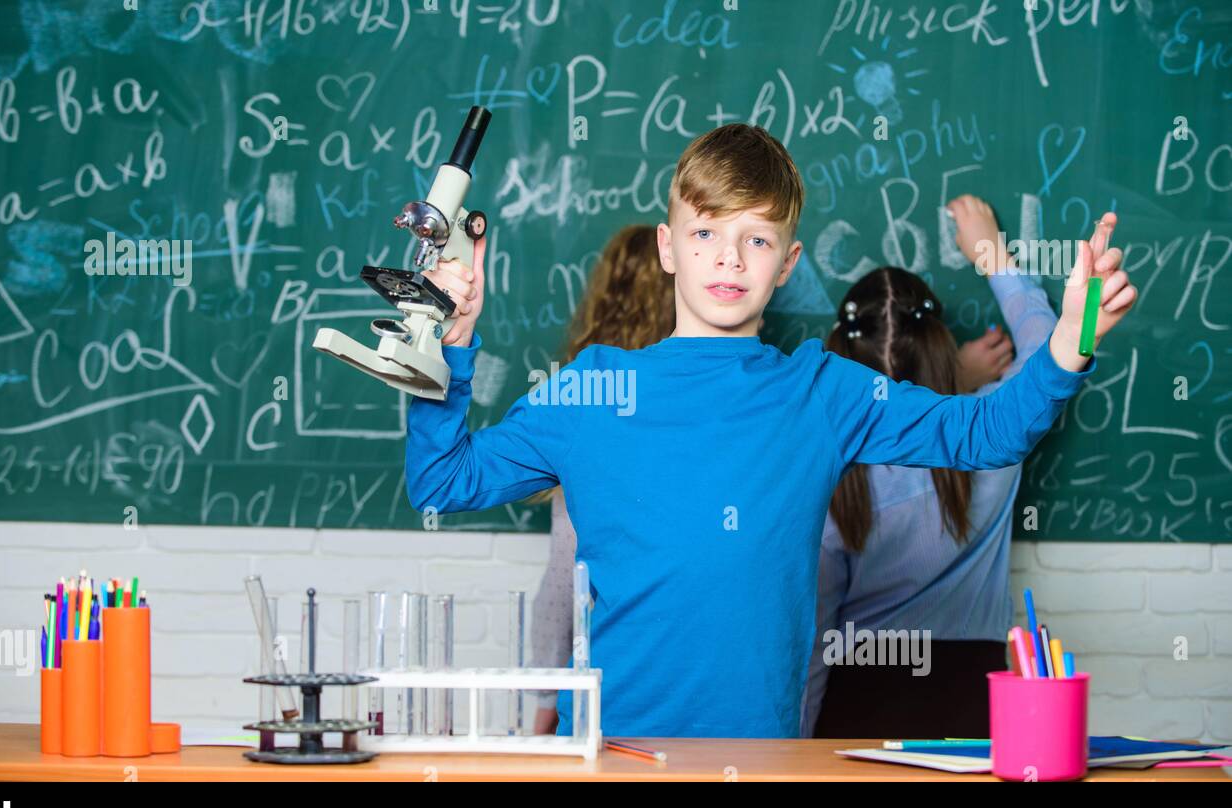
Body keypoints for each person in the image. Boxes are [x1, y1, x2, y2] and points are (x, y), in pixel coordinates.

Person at [406, 123, 1135, 738]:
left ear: (787, 263)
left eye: (757, 240)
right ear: (668, 247)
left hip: (758, 764)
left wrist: (1067, 345)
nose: (728, 256)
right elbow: (442, 479)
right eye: (706, 232)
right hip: (608, 758)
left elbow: (986, 432)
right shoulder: (593, 391)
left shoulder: (818, 393)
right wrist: (448, 347)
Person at [801, 195, 1060, 739]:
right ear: (943, 349)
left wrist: (794, 750)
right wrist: (992, 254)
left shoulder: (825, 470)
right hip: (973, 706)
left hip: (856, 702)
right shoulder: (992, 443)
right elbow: (1051, 357)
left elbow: (815, 632)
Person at [524, 225, 675, 735]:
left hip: (609, 685)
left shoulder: (587, 405)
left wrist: (545, 700)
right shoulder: (694, 409)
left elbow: (565, 580)